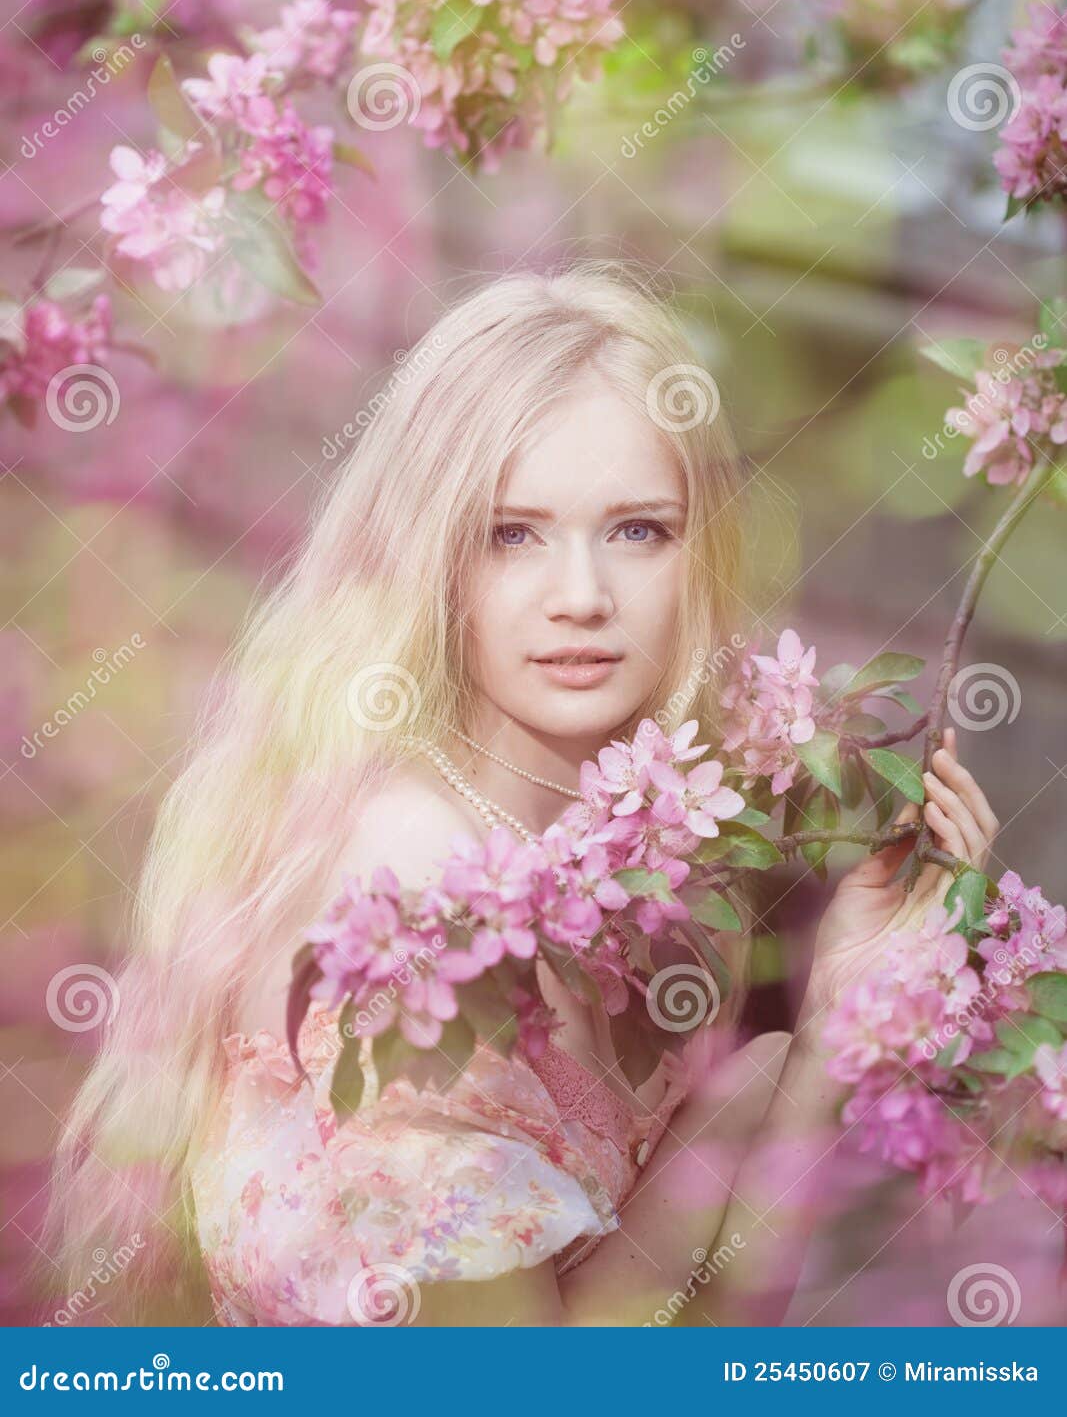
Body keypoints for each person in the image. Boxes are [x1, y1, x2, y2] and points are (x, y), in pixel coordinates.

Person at [38, 265, 997, 1327]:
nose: (580, 598)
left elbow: (698, 1332)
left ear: (699, 550)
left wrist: (833, 1029)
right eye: (512, 533)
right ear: (432, 558)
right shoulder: (411, 873)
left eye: (637, 530)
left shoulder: (661, 896)